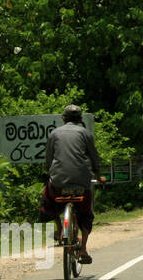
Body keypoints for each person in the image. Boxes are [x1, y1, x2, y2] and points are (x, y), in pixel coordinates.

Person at [40, 105, 105, 265]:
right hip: (82, 182)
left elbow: (48, 159)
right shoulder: (86, 134)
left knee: (48, 198)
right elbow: (94, 159)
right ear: (80, 119)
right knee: (86, 211)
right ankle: (83, 248)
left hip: (58, 181)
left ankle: (60, 229)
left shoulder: (54, 134)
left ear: (63, 118)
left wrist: (51, 173)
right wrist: (99, 176)